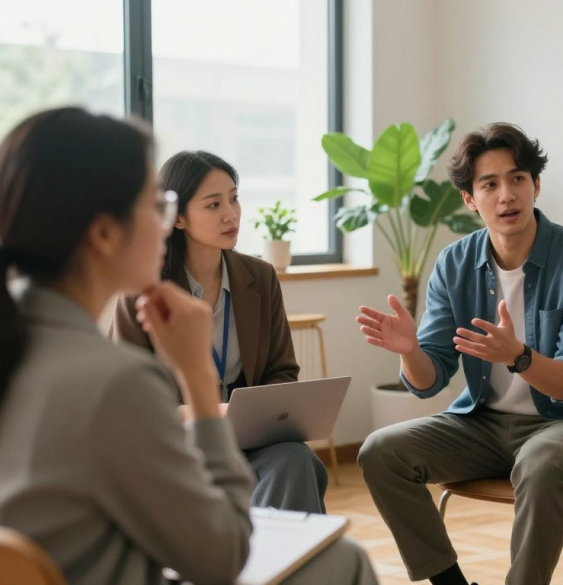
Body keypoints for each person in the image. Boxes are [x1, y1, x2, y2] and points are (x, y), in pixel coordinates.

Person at [0, 107, 377, 585]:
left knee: (300, 480)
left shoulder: (25, 339)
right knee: (346, 561)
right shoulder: (114, 381)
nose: (165, 220)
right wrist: (198, 378)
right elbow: (221, 557)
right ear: (102, 233)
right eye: (153, 206)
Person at [356, 123, 563, 585]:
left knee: (542, 464)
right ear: (470, 200)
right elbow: (430, 379)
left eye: (517, 179)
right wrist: (410, 352)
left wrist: (518, 356)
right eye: (489, 184)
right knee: (380, 452)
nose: (506, 195)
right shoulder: (454, 263)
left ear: (536, 185)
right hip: (481, 424)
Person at [110, 150, 328, 514]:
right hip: (178, 445)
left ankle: (282, 567)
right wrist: (209, 412)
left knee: (294, 459)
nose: (231, 214)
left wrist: (258, 416)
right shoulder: (141, 293)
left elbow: (281, 371)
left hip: (251, 441)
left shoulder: (260, 277)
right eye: (213, 205)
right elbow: (127, 402)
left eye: (234, 198)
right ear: (177, 218)